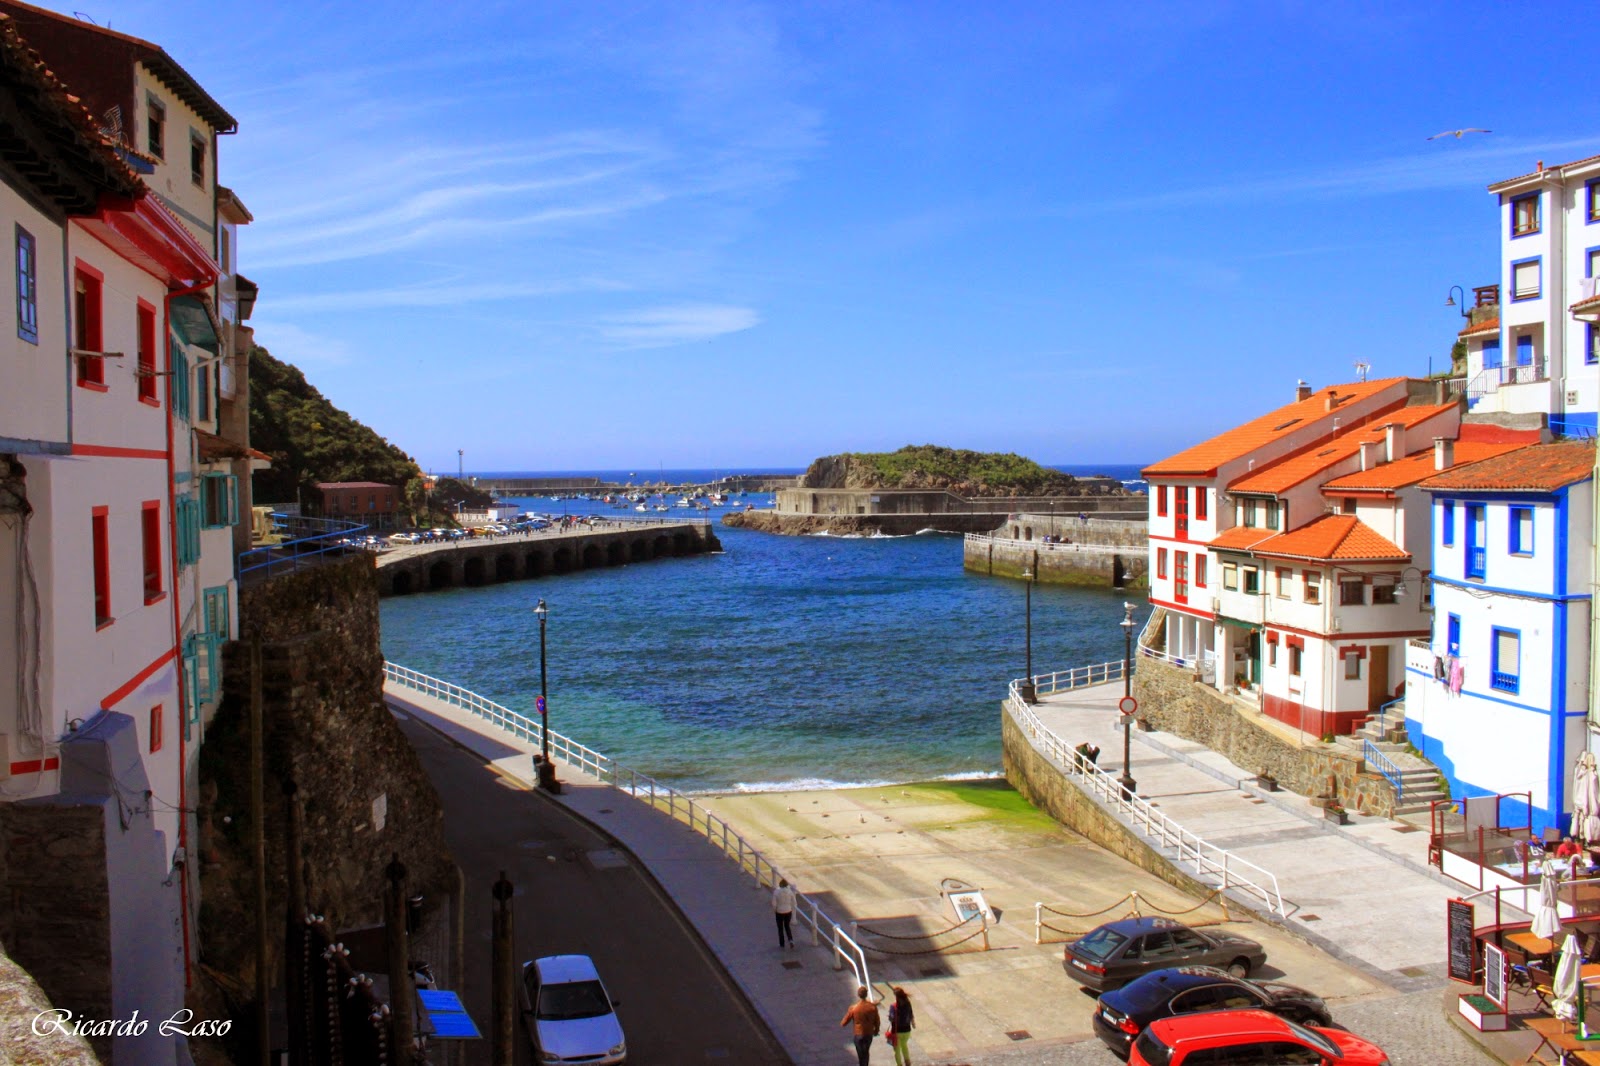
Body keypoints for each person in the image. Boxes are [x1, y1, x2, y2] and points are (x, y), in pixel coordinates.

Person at [840, 986, 880, 1066]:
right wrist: (876, 1031)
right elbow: (877, 1021)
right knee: (866, 1052)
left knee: (860, 1053)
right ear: (866, 994)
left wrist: (844, 1022)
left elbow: (844, 1022)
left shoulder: (854, 1008)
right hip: (869, 1033)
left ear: (858, 995)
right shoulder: (872, 1007)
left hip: (858, 1033)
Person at [887, 986, 915, 1066]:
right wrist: (913, 1023)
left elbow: (891, 1018)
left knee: (897, 1050)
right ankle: (908, 1062)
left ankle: (899, 1064)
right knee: (904, 1046)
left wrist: (890, 1017)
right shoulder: (908, 1004)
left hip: (897, 1031)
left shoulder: (893, 1006)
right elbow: (911, 1014)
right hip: (907, 1030)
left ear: (896, 996)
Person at [772, 877, 797, 949]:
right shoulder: (790, 892)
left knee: (780, 928)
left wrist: (775, 910)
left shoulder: (776, 892)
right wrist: (791, 908)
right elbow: (794, 902)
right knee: (787, 926)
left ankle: (782, 943)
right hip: (788, 911)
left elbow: (774, 904)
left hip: (779, 911)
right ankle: (790, 940)